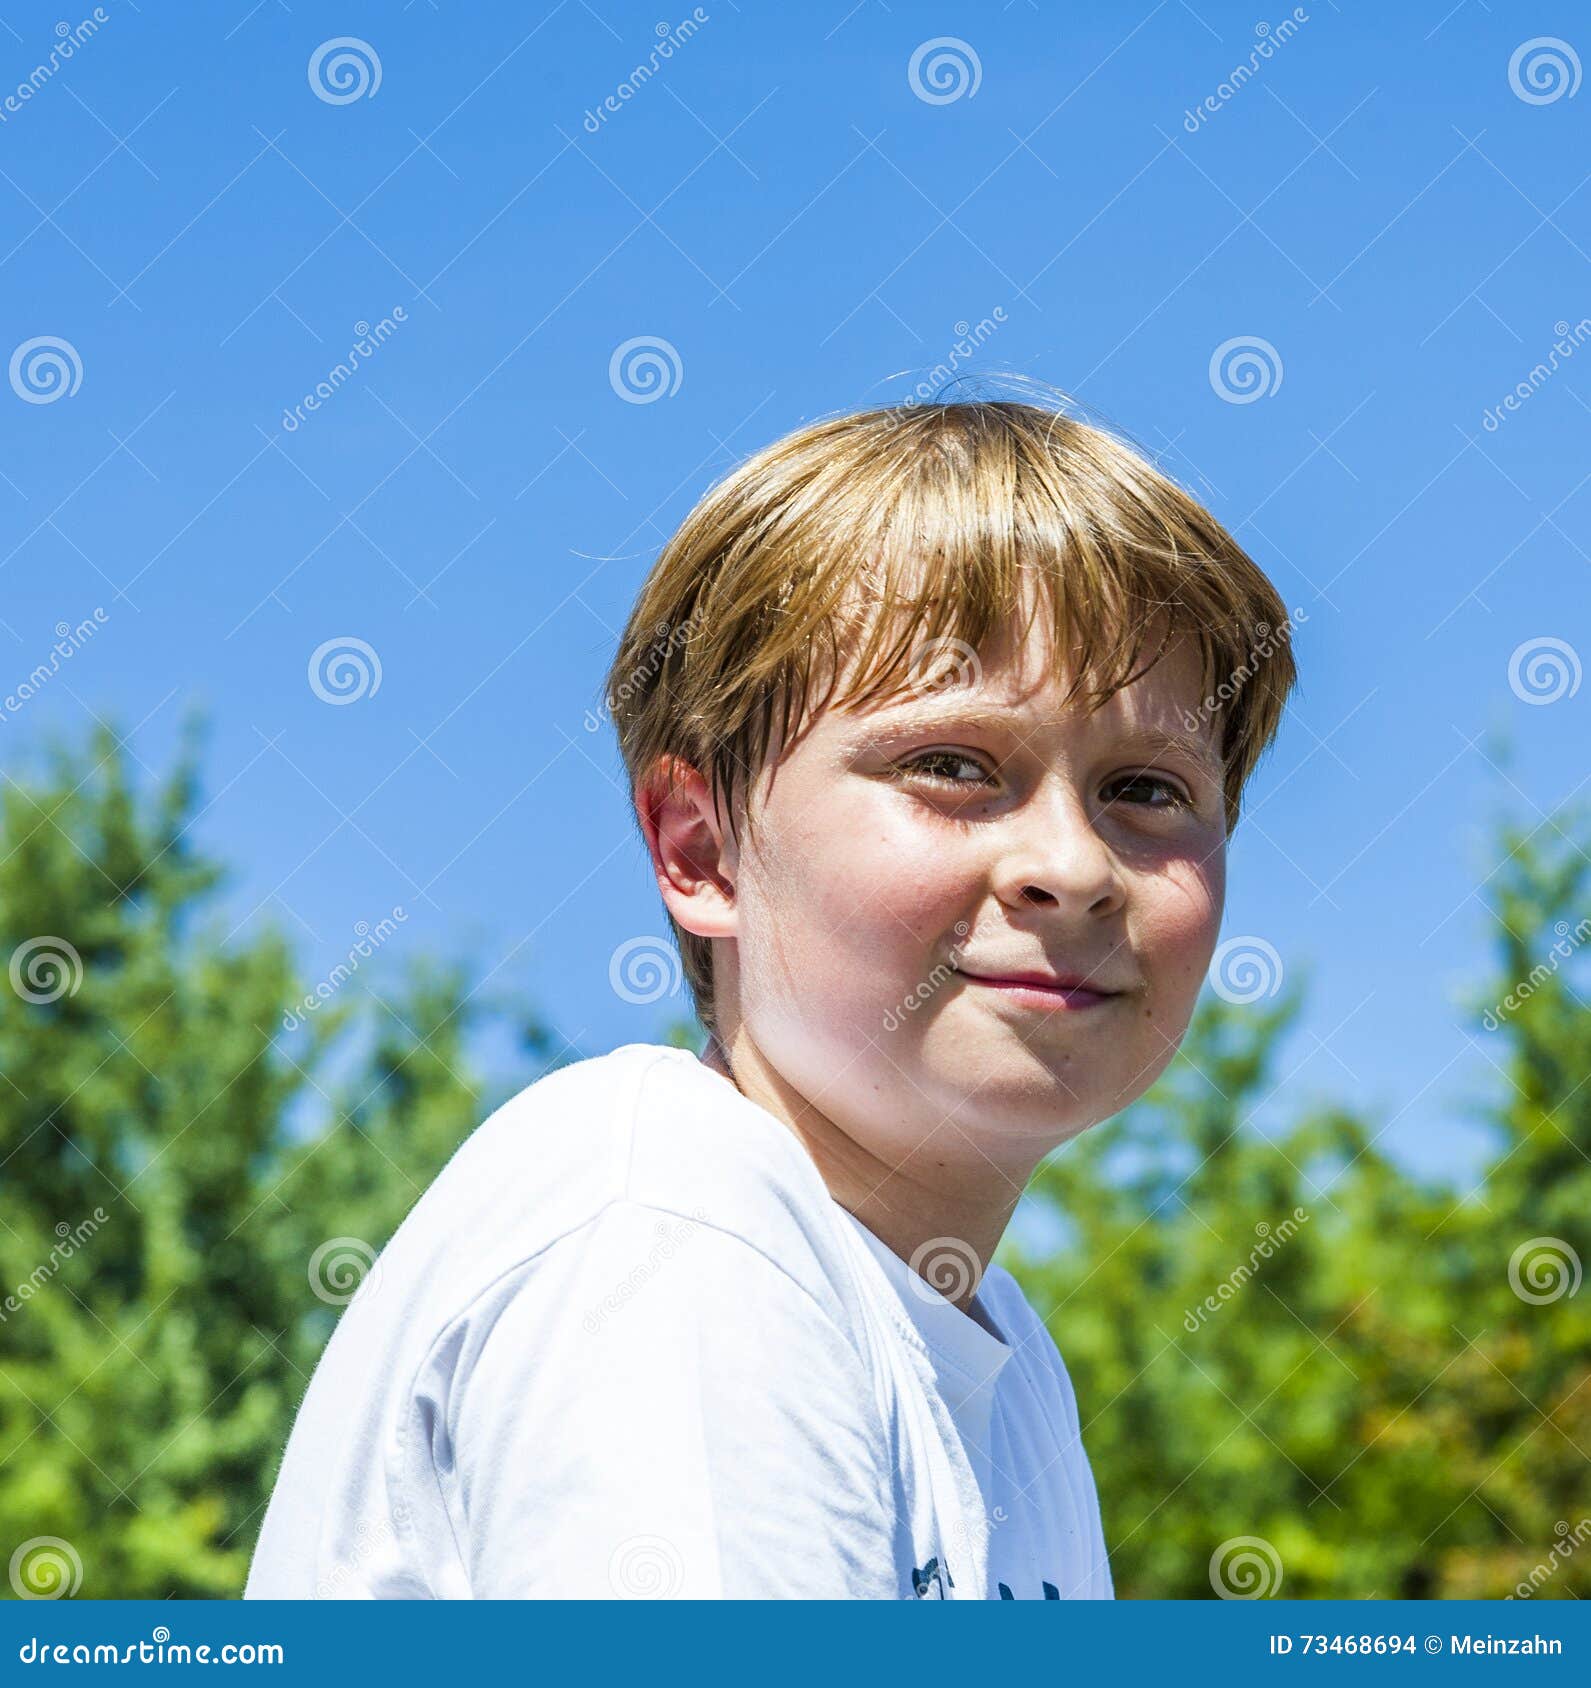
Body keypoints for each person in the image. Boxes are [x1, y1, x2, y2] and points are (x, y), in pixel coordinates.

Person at [244, 395, 1297, 1599]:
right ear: (699, 849)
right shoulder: (678, 1226)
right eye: (952, 766)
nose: (1069, 867)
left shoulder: (1000, 1369)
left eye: (1148, 790)